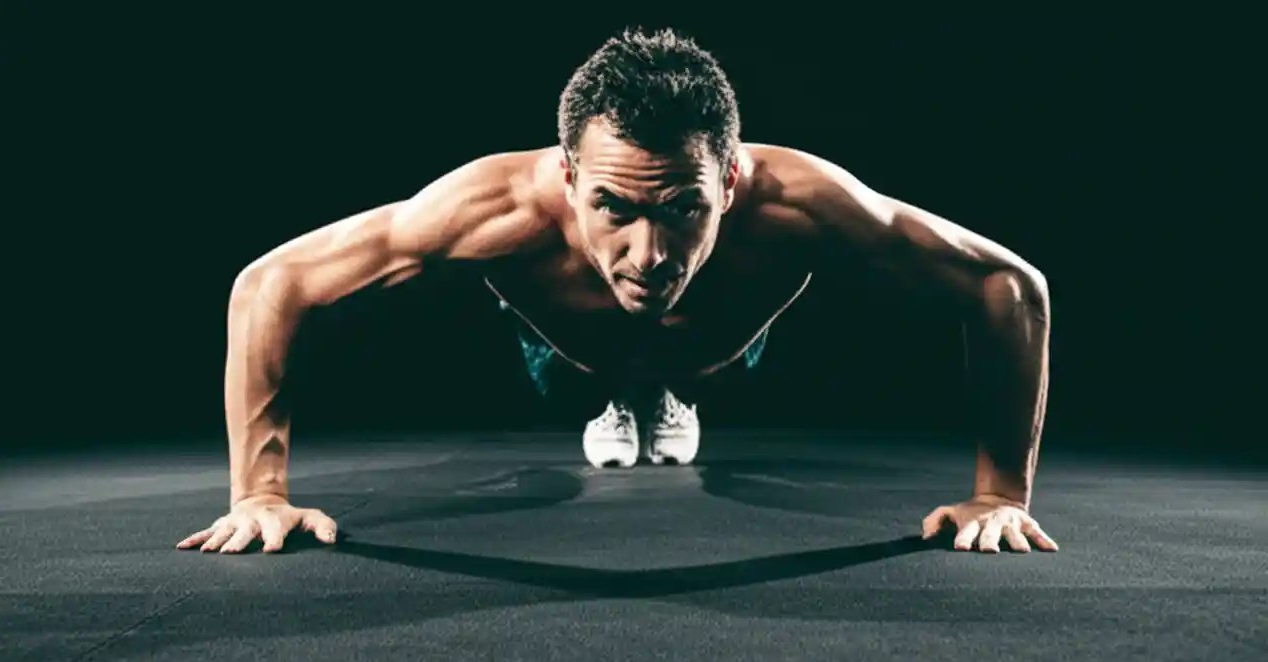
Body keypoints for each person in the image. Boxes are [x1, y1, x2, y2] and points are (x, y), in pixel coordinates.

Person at [177, 28, 1059, 557]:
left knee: (689, 344)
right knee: (601, 368)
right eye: (614, 207)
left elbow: (1005, 281)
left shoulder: (801, 200)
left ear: (735, 177)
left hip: (721, 342)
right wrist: (258, 493)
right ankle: (621, 401)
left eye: (683, 208)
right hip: (565, 348)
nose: (649, 251)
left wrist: (999, 496)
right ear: (566, 179)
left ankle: (666, 396)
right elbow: (274, 281)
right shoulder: (491, 207)